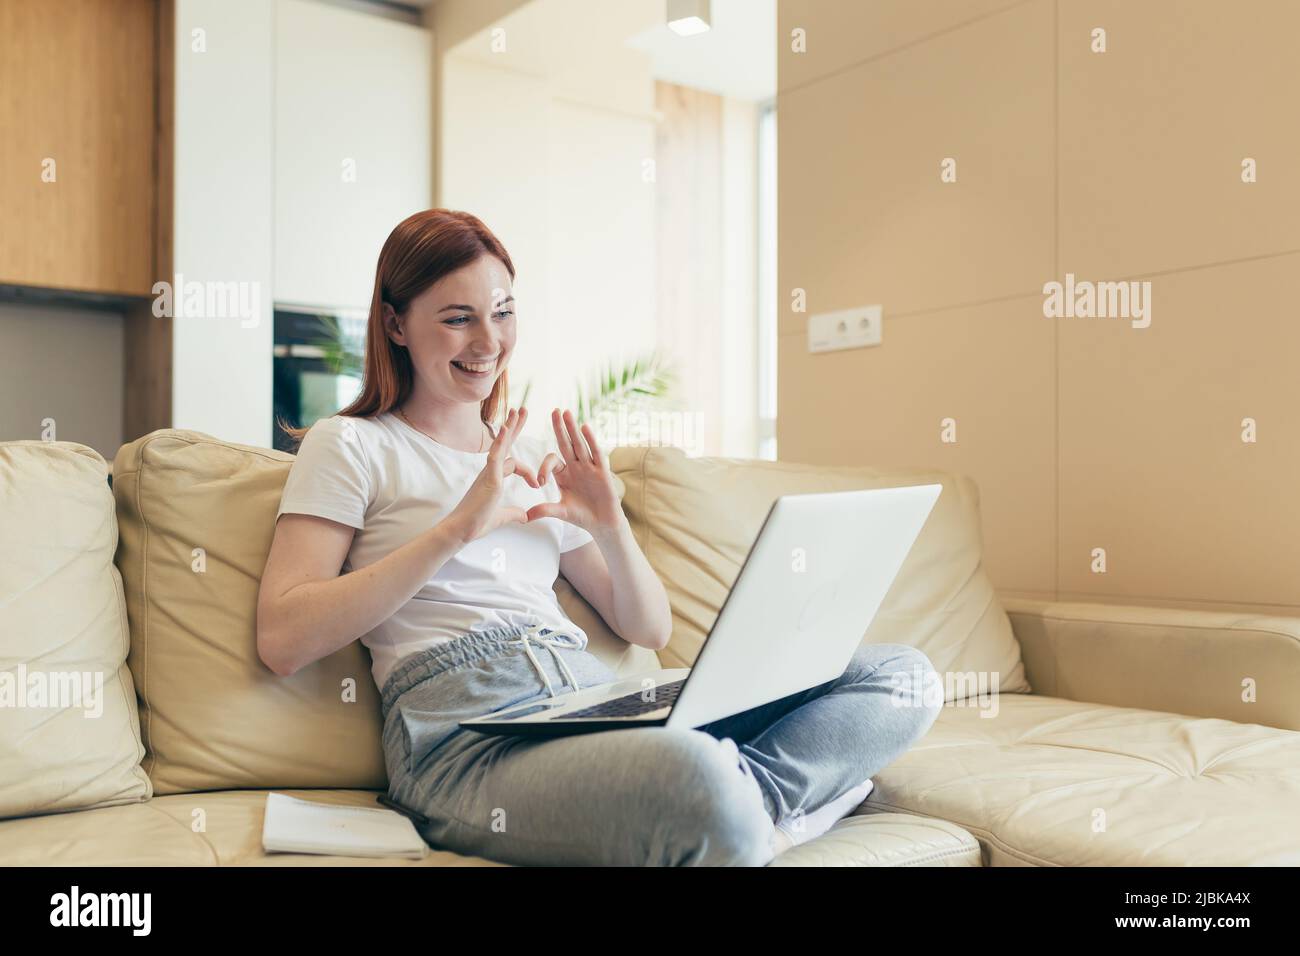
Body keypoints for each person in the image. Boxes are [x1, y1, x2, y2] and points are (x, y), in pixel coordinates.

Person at [257, 208, 945, 866]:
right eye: (458, 319)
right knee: (698, 773)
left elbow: (646, 626)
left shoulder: (526, 452)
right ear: (395, 324)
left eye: (502, 312)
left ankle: (751, 812)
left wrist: (607, 520)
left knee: (903, 676)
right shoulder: (351, 445)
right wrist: (461, 525)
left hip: (587, 700)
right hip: (463, 740)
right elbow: (284, 638)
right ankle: (761, 812)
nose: (489, 343)